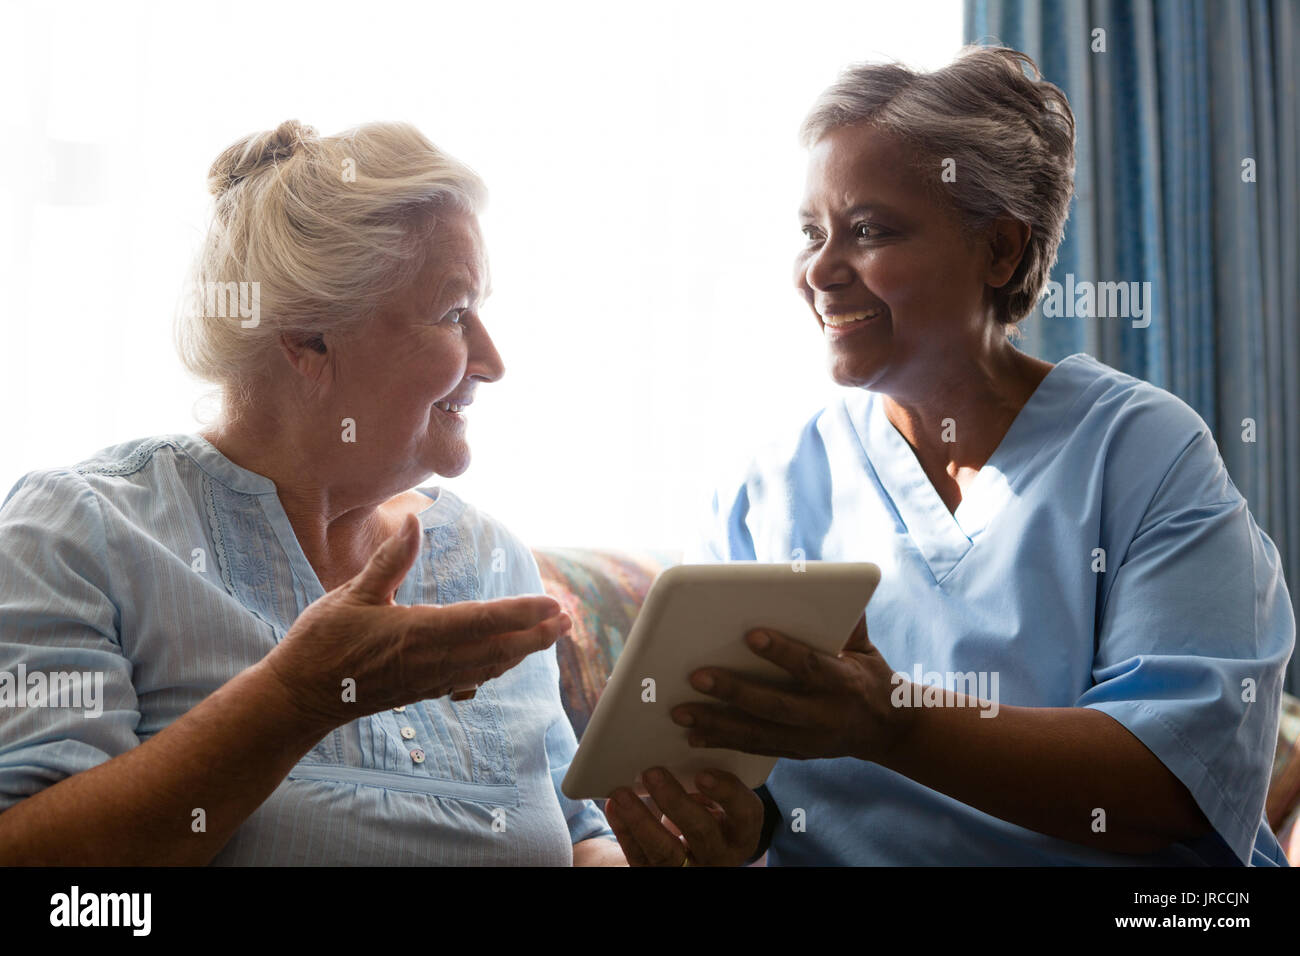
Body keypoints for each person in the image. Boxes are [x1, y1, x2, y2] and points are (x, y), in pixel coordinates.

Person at [0, 120, 760, 865]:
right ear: (308, 338)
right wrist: (296, 699)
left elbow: (575, 837)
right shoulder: (79, 532)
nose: (492, 362)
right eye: (455, 314)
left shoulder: (488, 556)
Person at [660, 46, 1294, 865]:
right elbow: (738, 784)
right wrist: (732, 827)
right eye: (812, 233)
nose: (819, 270)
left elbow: (1173, 788)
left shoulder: (1140, 450)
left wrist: (888, 718)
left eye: (869, 231)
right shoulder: (767, 491)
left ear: (999, 250)